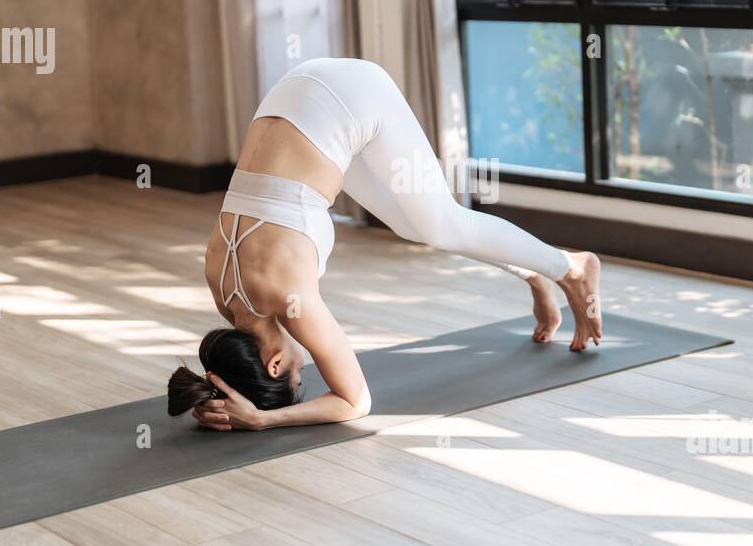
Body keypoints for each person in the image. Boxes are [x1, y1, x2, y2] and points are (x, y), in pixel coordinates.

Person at [168, 58, 601, 431]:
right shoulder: (224, 291)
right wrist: (217, 397)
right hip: (295, 95)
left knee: (444, 223)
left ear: (275, 365)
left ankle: (572, 268)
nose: (307, 365)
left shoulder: (288, 297)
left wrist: (265, 418)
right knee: (419, 226)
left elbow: (355, 402)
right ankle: (533, 273)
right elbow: (228, 371)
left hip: (349, 97)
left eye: (300, 374)